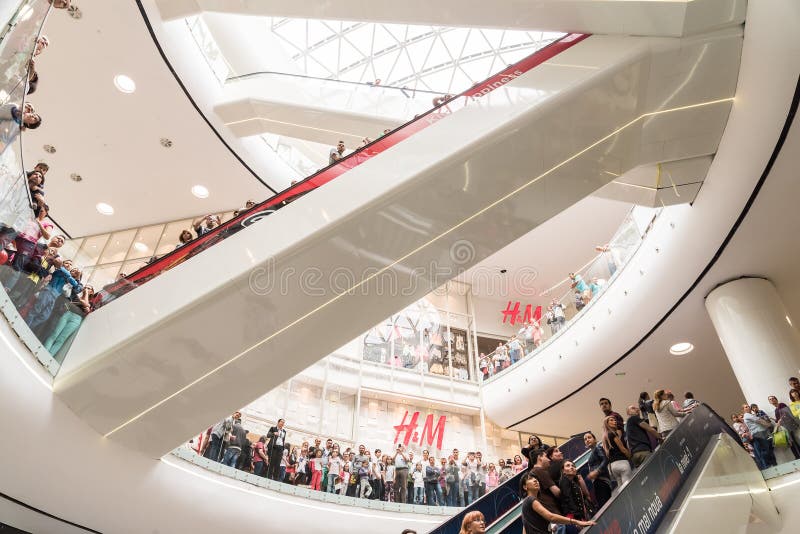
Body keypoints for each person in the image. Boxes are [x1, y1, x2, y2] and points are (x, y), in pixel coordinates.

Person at [521, 472, 595, 534]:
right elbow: (551, 517)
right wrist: (577, 522)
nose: (535, 480)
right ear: (525, 487)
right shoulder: (531, 500)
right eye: (530, 479)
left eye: (536, 479)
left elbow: (525, 528)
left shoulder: (526, 502)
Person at [558, 461, 593, 526]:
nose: (571, 467)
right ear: (563, 471)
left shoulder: (573, 481)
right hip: (574, 518)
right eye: (568, 466)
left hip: (580, 516)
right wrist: (579, 518)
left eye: (573, 466)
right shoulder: (564, 481)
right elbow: (568, 500)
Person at [742, 403, 776, 469]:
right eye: (746, 407)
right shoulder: (747, 415)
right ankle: (768, 466)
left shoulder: (751, 415)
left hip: (762, 433)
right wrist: (769, 425)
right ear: (743, 410)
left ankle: (773, 465)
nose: (748, 407)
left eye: (748, 406)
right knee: (765, 450)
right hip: (759, 434)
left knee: (768, 449)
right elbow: (759, 420)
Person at [584, 432, 612, 509]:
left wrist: (597, 471)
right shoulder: (593, 451)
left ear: (595, 440)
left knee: (604, 506)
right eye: (585, 439)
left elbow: (606, 459)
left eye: (589, 437)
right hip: (599, 481)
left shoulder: (597, 448)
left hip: (601, 480)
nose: (587, 440)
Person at [530, 451, 562, 516]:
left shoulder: (533, 471)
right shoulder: (539, 470)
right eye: (546, 457)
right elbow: (557, 492)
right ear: (540, 457)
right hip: (551, 509)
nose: (549, 460)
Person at [768, 395, 800, 459]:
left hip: (790, 425)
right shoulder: (776, 410)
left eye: (773, 398)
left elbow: (787, 413)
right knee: (790, 442)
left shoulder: (782, 405)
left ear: (776, 399)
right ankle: (797, 456)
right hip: (784, 427)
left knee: (794, 440)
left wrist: (780, 420)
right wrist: (772, 419)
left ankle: (798, 455)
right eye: (770, 399)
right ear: (769, 402)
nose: (772, 400)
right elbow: (778, 420)